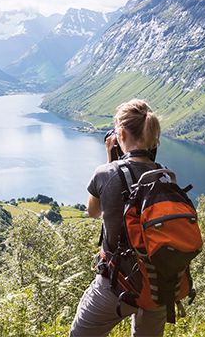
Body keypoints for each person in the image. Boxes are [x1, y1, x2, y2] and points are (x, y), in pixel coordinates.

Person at [69, 99, 167, 337]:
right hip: (159, 286)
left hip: (117, 283)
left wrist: (110, 159)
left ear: (121, 133)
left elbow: (93, 212)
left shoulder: (105, 173)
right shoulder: (164, 177)